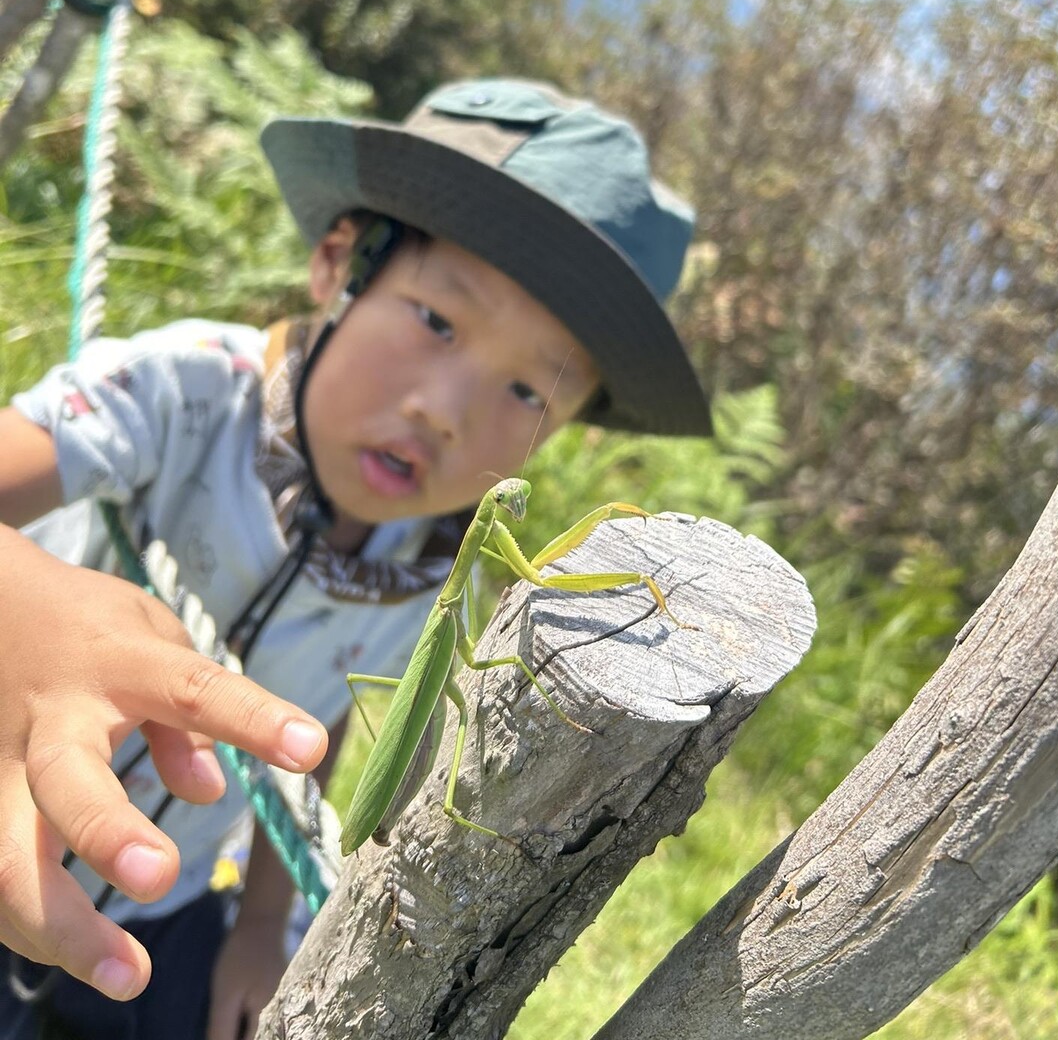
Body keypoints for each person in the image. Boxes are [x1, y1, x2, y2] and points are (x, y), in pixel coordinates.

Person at [0, 77, 711, 1040]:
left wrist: (259, 925)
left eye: (524, 391)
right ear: (340, 262)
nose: (445, 412)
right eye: (438, 321)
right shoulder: (177, 392)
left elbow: (309, 746)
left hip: (148, 905)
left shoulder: (422, 566)